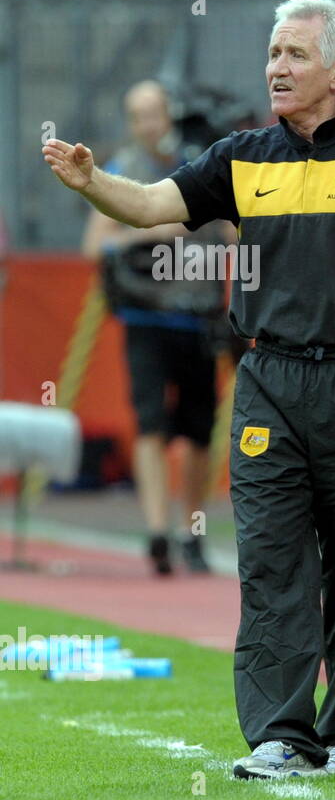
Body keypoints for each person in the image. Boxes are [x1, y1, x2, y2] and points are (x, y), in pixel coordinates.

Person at [46, 0, 335, 778]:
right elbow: (147, 207)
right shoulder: (241, 156)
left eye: (296, 55)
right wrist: (92, 181)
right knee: (270, 559)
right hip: (268, 380)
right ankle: (280, 733)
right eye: (273, 52)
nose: (277, 66)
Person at [81, 80, 232, 575]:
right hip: (146, 316)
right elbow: (94, 246)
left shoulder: (200, 160)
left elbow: (233, 232)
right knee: (149, 425)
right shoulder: (121, 170)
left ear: (170, 114)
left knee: (198, 430)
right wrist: (148, 227)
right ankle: (156, 534)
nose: (149, 123)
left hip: (197, 318)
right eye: (138, 115)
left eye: (155, 113)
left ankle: (192, 533)